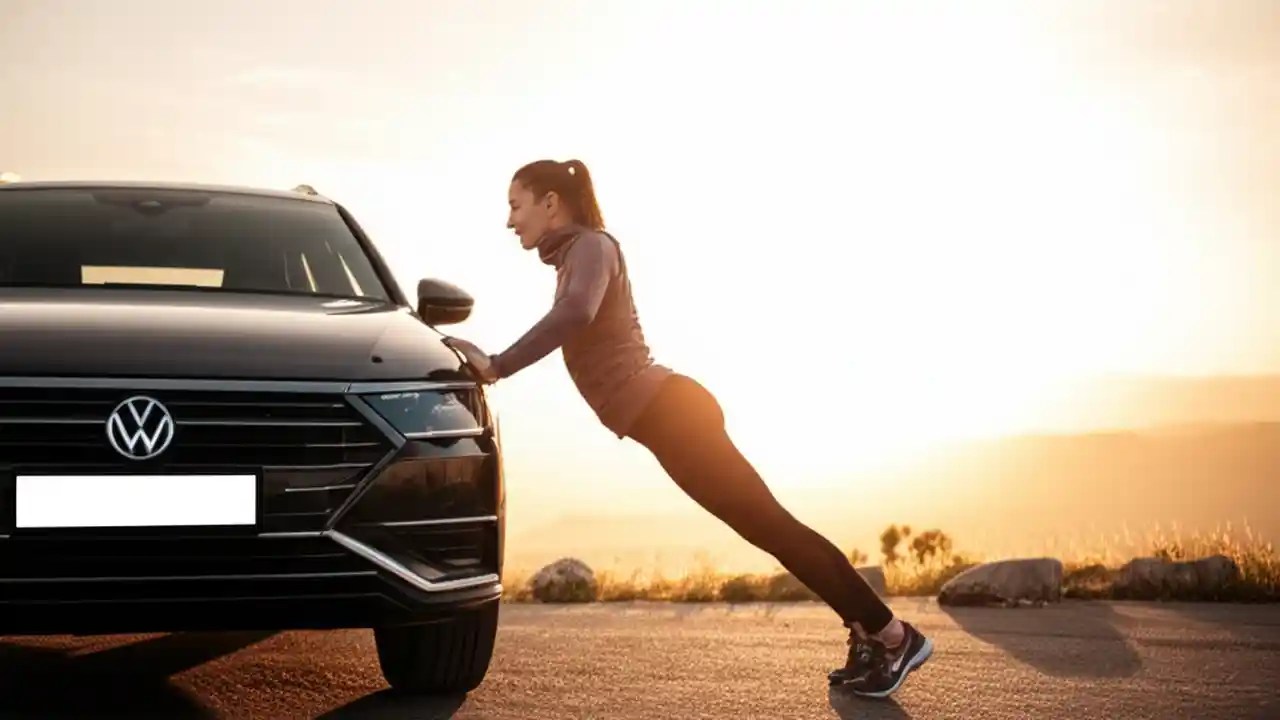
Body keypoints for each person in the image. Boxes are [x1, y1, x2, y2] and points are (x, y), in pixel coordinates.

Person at [441, 158, 933, 698]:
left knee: (773, 527)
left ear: (551, 202)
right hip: (668, 417)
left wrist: (499, 363)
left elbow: (578, 314)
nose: (511, 221)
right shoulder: (576, 256)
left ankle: (892, 635)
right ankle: (870, 633)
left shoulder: (592, 246)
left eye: (516, 205)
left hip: (675, 413)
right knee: (769, 528)